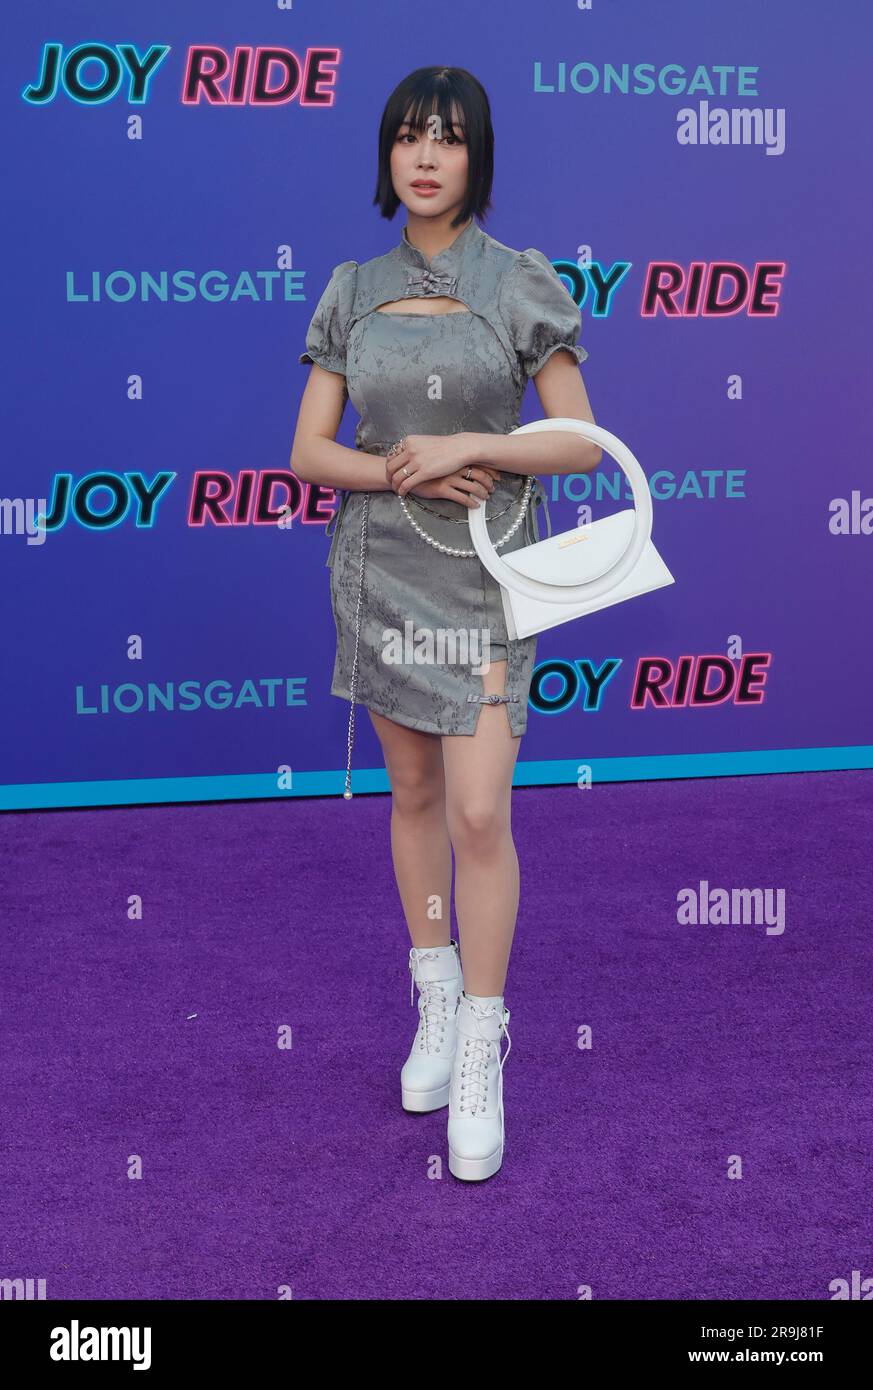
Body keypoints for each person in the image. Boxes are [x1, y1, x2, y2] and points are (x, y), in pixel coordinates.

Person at [291, 66, 601, 1181]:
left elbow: (578, 441)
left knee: (479, 809)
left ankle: (483, 1038)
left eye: (450, 139)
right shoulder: (350, 286)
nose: (427, 156)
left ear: (478, 160)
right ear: (388, 155)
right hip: (382, 576)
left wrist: (474, 448)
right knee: (415, 795)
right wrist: (396, 471)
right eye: (410, 138)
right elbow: (308, 453)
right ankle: (431, 997)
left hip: (488, 583)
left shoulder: (519, 283)